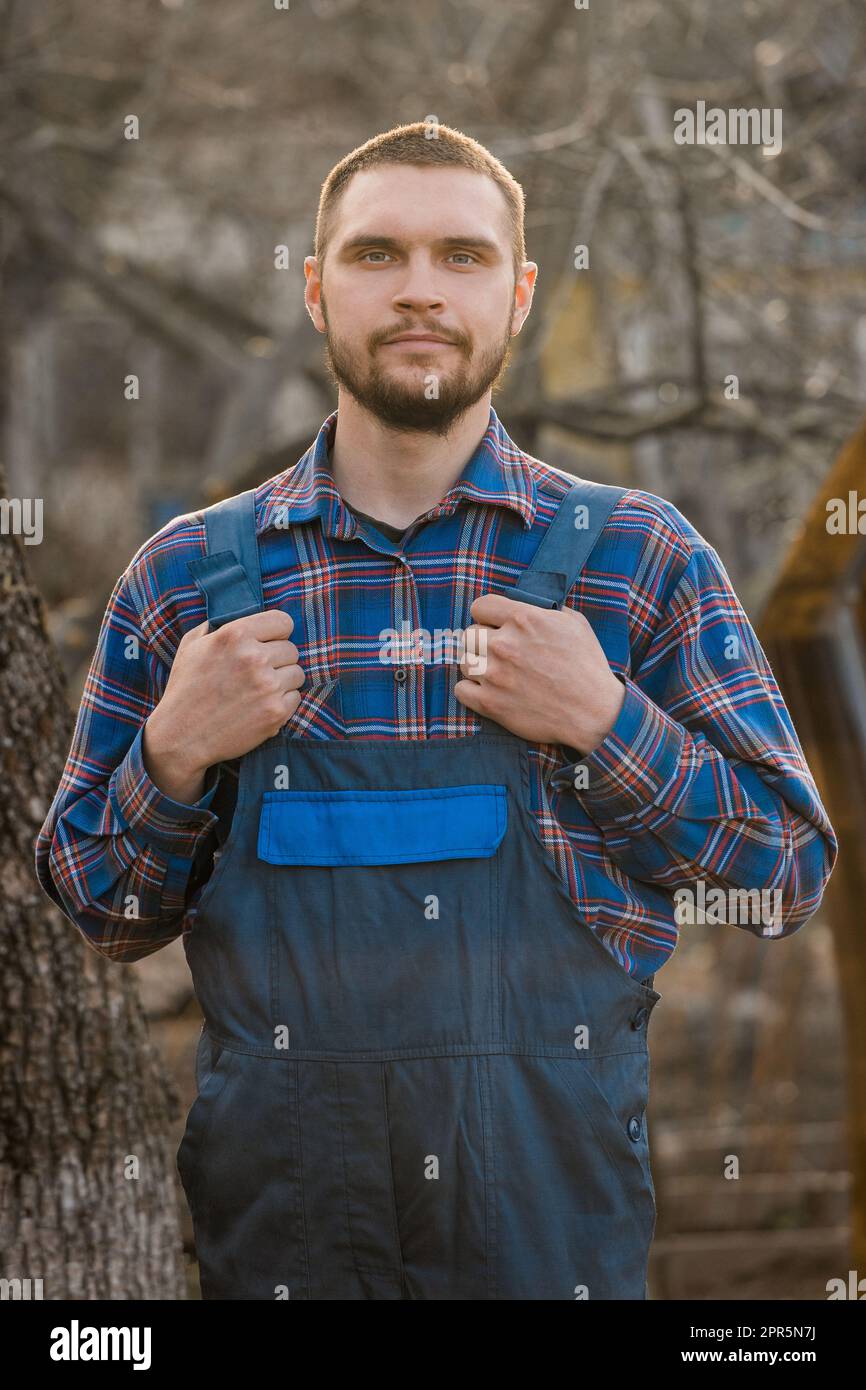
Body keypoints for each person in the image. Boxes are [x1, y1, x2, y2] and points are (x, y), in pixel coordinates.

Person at [35, 121, 838, 1301]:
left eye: (460, 256)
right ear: (315, 291)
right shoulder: (185, 580)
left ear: (516, 296)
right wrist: (173, 752)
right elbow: (97, 921)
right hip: (284, 1241)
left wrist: (609, 725)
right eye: (376, 255)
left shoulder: (637, 561)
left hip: (545, 1237)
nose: (418, 290)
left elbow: (785, 874)